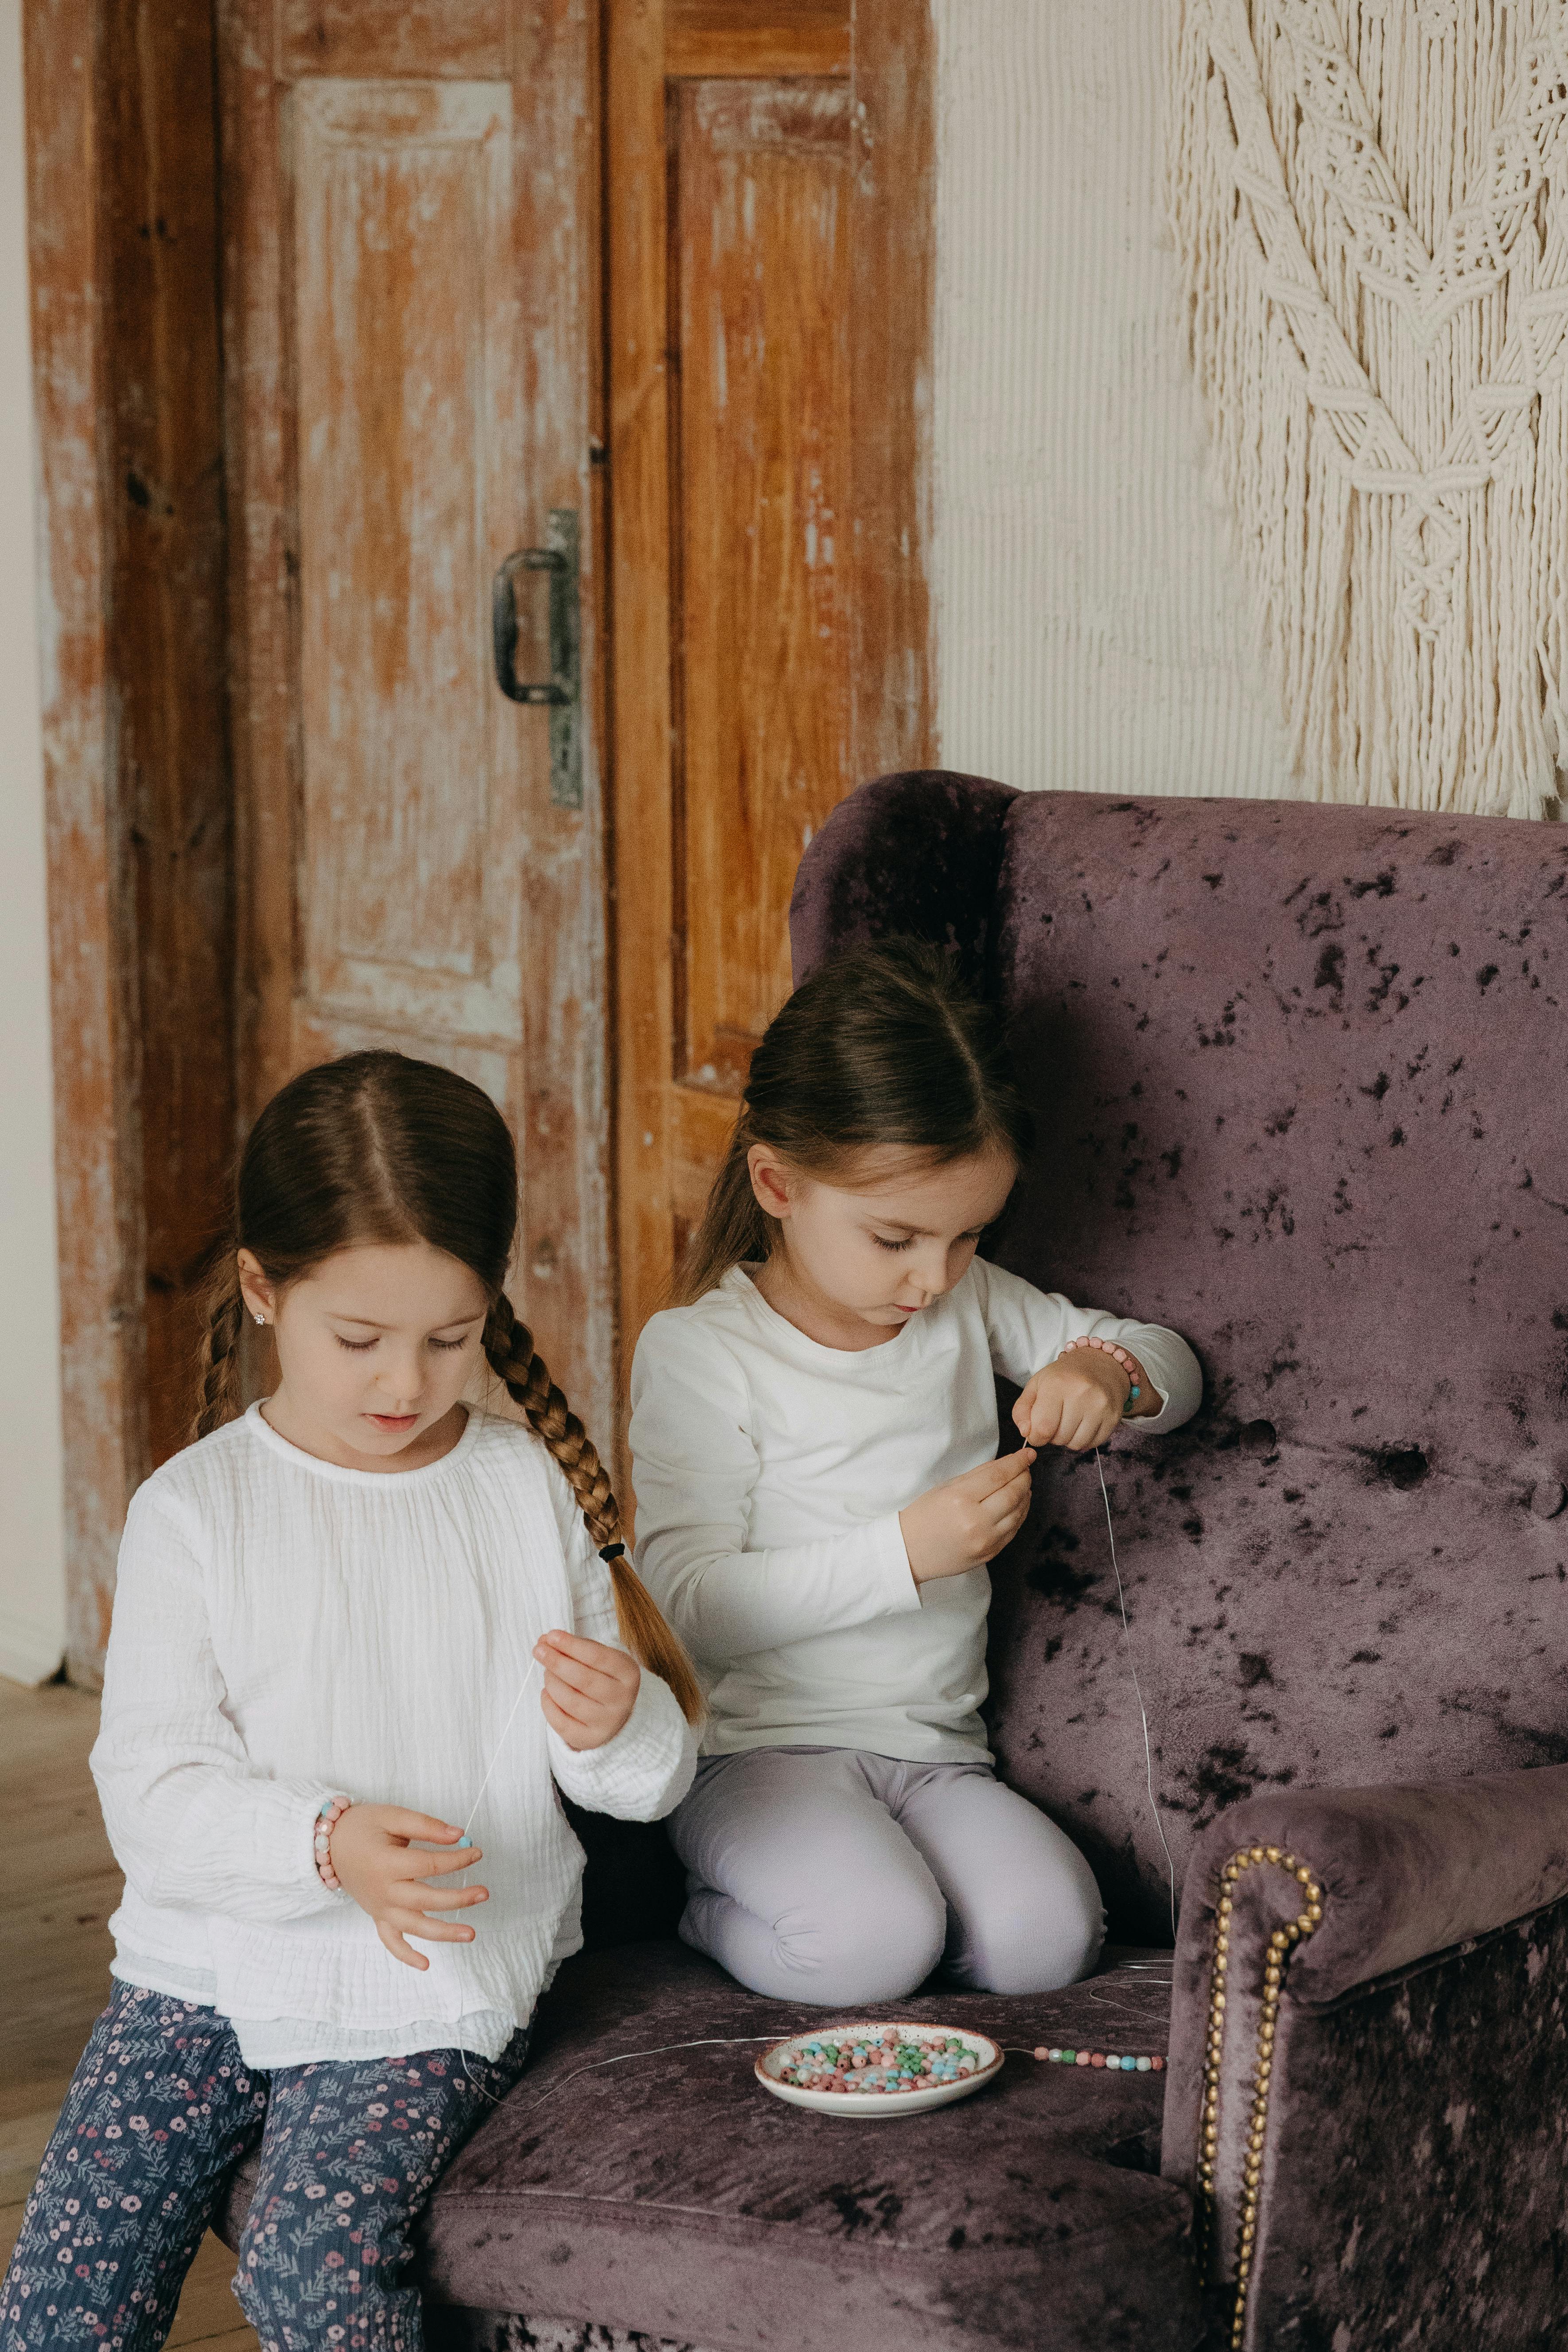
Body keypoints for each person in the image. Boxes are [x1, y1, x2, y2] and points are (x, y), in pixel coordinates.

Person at [2, 1052, 699, 2352]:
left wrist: (622, 1725)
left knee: (316, 2275)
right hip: (197, 1959)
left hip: (427, 1971)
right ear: (265, 1288)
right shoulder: (194, 1509)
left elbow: (639, 1786)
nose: (404, 1384)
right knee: (58, 2304)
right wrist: (321, 1842)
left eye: (449, 1338)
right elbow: (151, 1792)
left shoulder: (519, 1488)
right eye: (358, 1339)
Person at [630, 937, 1200, 2008]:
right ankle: (706, 1916)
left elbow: (1172, 1363)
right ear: (777, 1182)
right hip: (758, 1758)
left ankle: (872, 1909)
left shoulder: (968, 1299)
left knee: (1049, 1940)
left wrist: (1103, 1371)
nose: (932, 1278)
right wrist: (905, 1555)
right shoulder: (702, 1352)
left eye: (968, 1236)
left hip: (935, 1757)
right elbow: (681, 1607)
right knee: (872, 1942)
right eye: (896, 1238)